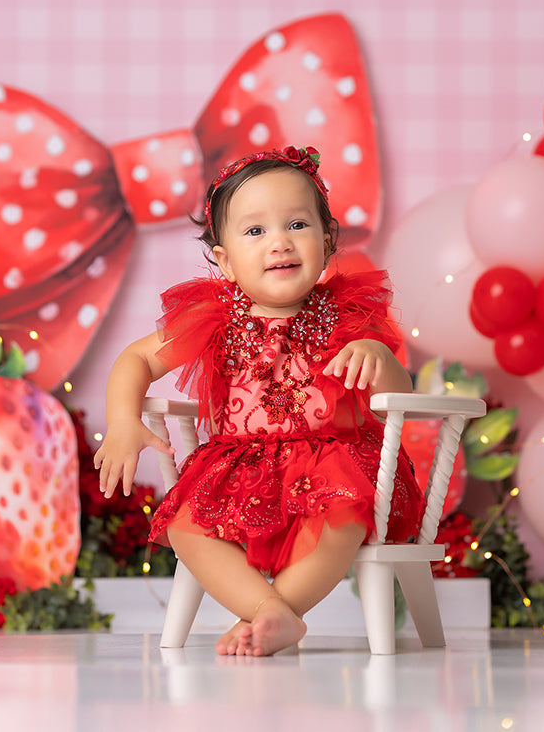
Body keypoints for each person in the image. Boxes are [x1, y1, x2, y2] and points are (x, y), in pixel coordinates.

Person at [94, 146, 421, 656]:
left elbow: (399, 397)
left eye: (297, 224)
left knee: (342, 518)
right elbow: (135, 359)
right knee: (185, 528)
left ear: (327, 239)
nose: (279, 242)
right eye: (255, 231)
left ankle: (274, 613)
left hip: (333, 468)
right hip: (239, 470)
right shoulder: (214, 317)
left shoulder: (348, 317)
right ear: (224, 259)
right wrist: (122, 421)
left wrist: (379, 357)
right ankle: (270, 612)